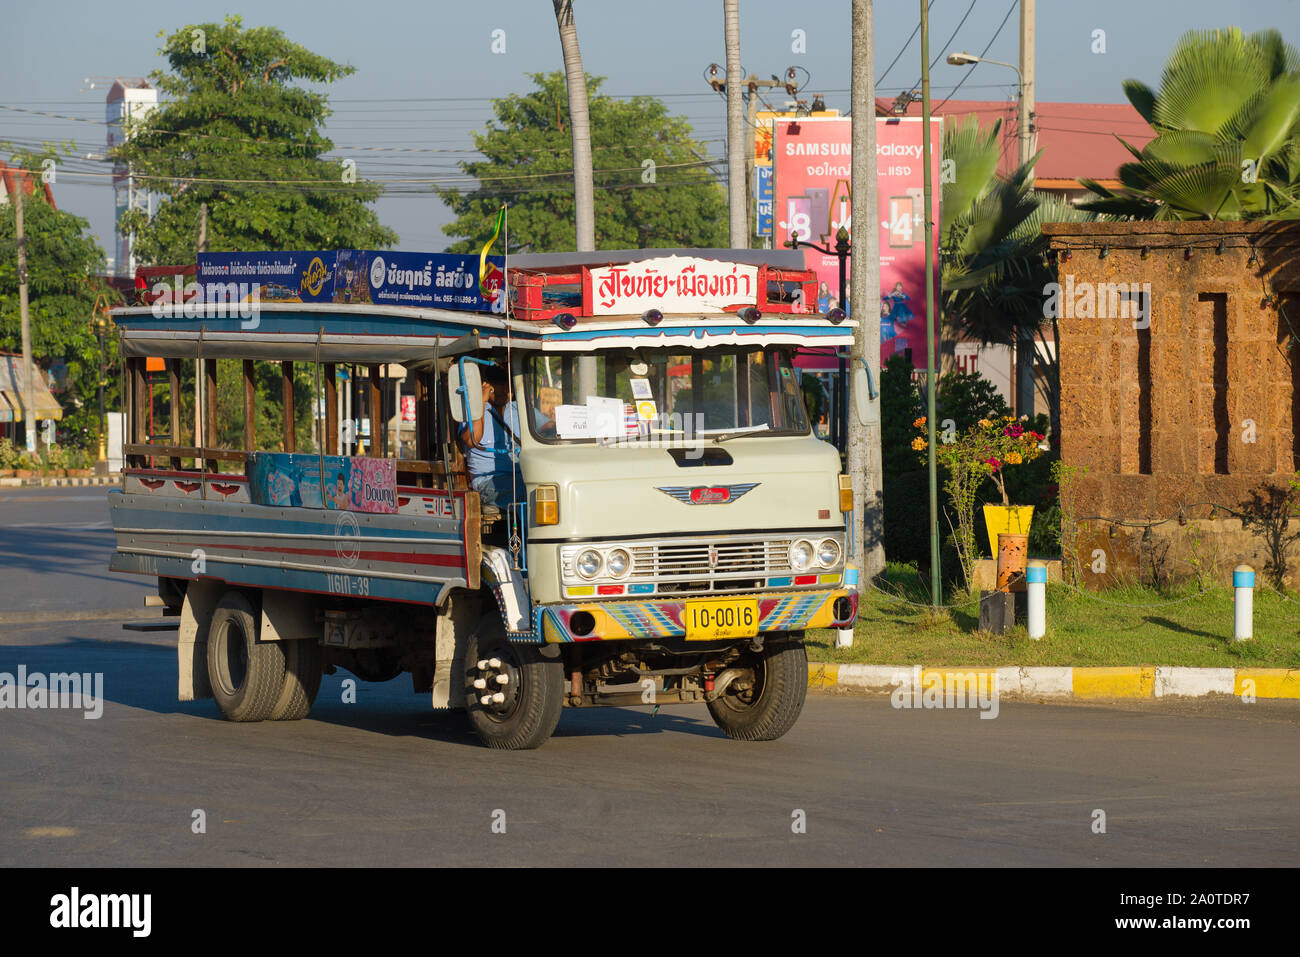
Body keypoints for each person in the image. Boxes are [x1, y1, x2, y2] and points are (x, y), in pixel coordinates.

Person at [459, 363, 523, 509]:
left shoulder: (518, 410)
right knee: (525, 492)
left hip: (520, 477)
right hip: (486, 482)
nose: (503, 394)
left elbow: (547, 428)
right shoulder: (474, 410)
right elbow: (472, 439)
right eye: (496, 390)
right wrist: (480, 401)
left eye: (506, 389)